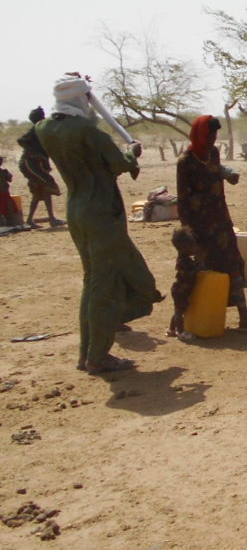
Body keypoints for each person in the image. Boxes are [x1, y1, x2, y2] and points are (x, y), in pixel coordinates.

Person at [35, 74, 163, 374]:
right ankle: (97, 357)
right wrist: (132, 152)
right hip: (102, 212)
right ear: (82, 99)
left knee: (92, 281)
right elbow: (120, 164)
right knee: (105, 283)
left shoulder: (44, 129)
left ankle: (87, 354)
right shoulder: (89, 132)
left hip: (77, 210)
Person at [176, 115, 247, 331]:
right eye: (208, 134)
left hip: (220, 221)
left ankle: (244, 314)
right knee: (198, 271)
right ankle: (185, 318)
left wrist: (227, 175)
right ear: (199, 134)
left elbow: (216, 171)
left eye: (215, 134)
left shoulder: (213, 154)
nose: (212, 139)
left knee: (233, 264)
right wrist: (187, 231)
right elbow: (182, 199)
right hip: (199, 226)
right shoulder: (186, 161)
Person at [18, 107, 65, 227]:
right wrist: (35, 154)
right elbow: (21, 140)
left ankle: (37, 220)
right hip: (30, 163)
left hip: (36, 164)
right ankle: (50, 219)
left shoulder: (41, 129)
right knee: (48, 183)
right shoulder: (36, 129)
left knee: (41, 190)